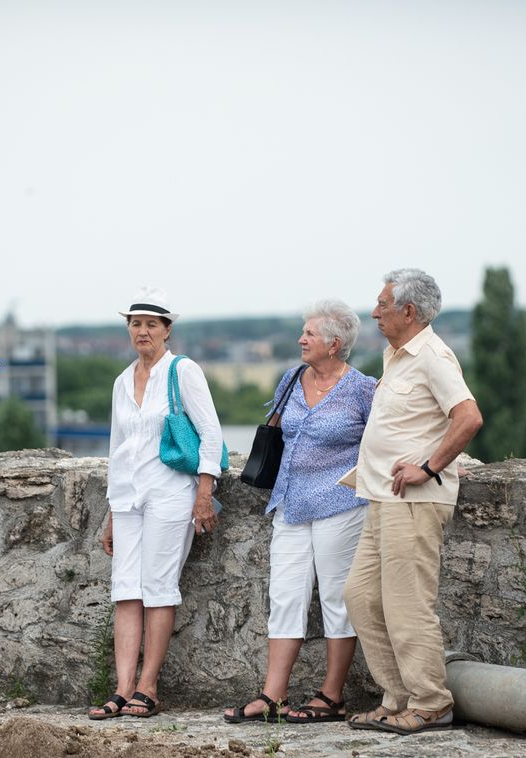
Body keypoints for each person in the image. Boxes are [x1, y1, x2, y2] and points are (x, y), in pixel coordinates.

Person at [342, 269, 482, 736]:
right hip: (384, 497)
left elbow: (468, 417)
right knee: (360, 597)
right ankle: (398, 698)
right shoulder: (397, 356)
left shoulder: (433, 356)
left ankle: (430, 701)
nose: (374, 312)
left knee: (407, 604)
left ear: (408, 311)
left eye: (382, 304)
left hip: (416, 500)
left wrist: (430, 466)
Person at [223, 300, 376, 724]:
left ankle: (332, 696)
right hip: (290, 504)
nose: (301, 339)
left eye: (309, 333)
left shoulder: (363, 389)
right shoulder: (291, 378)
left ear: (335, 342)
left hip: (340, 507)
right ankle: (273, 696)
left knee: (335, 599)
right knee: (285, 597)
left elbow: (385, 439)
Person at [90, 287, 223, 720]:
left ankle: (148, 687)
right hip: (129, 498)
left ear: (167, 330)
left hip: (170, 494)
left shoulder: (182, 372)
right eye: (135, 323)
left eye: (151, 324)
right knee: (125, 590)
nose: (142, 331)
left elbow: (212, 434)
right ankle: (122, 687)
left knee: (158, 589)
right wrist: (112, 512)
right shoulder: (121, 380)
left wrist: (204, 494)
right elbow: (118, 448)